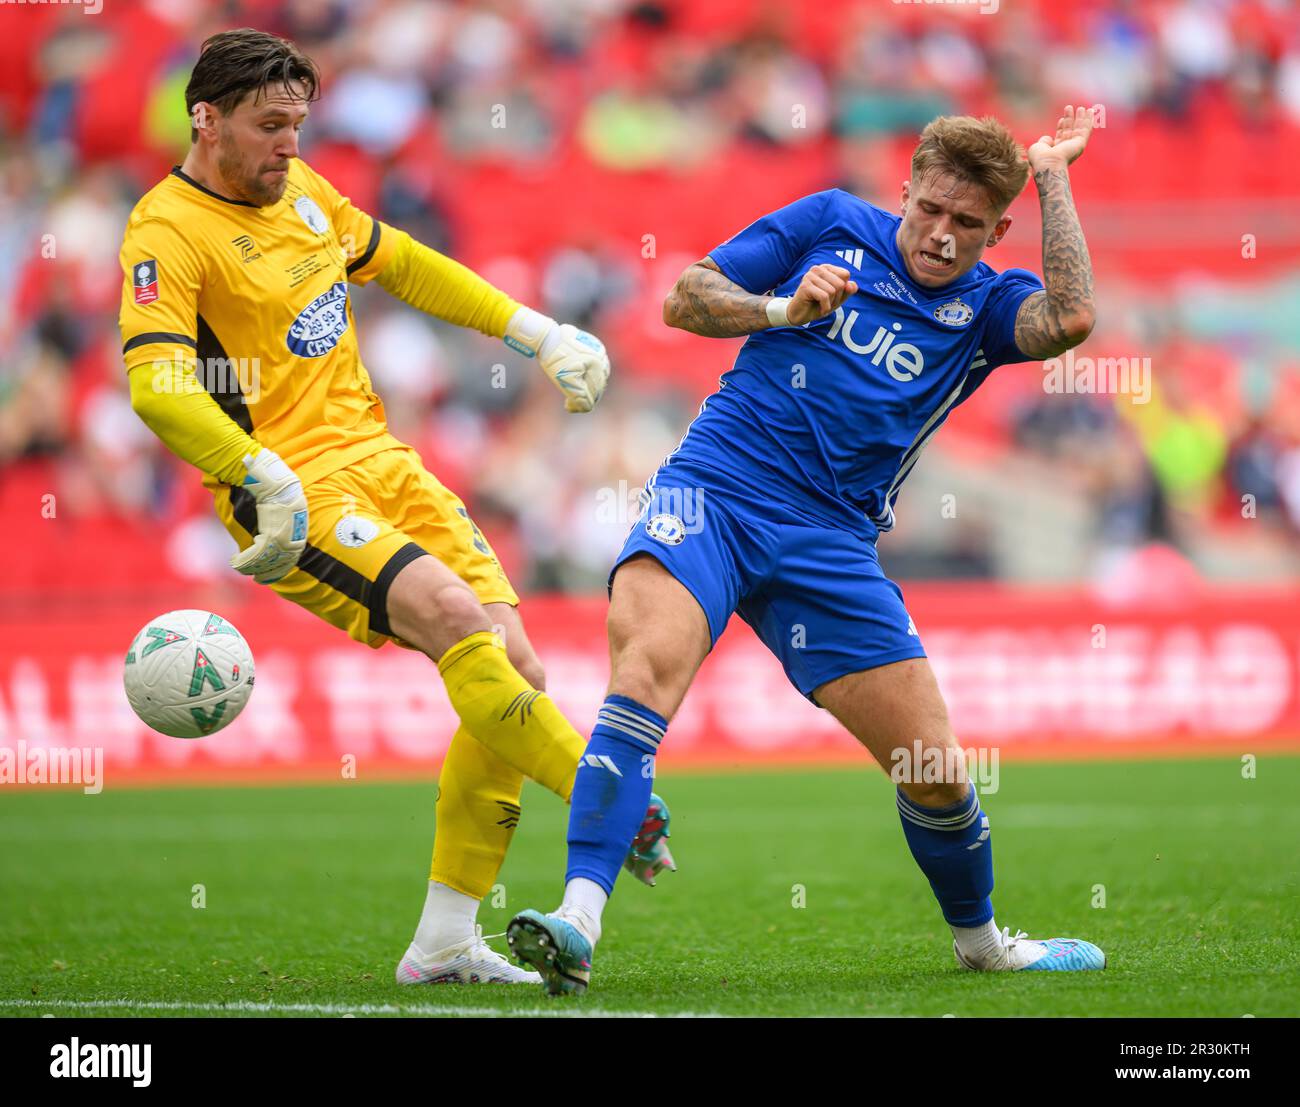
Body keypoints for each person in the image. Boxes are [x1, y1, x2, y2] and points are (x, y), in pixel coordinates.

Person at [117, 28, 673, 987]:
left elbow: (406, 263)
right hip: (290, 495)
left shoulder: (304, 195)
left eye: (299, 123)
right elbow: (160, 387)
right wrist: (259, 472)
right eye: (269, 125)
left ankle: (446, 942)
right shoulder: (165, 233)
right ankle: (609, 795)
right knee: (458, 623)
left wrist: (532, 330)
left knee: (515, 666)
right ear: (204, 118)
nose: (290, 144)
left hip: (384, 464)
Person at [509, 108, 1105, 994]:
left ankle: (982, 943)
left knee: (934, 771)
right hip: (714, 487)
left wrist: (1052, 171)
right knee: (644, 672)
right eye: (930, 209)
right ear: (905, 190)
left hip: (830, 541)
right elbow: (685, 296)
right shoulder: (828, 221)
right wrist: (780, 307)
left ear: (997, 229)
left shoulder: (984, 307)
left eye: (968, 224)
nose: (942, 236)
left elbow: (1071, 318)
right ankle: (578, 920)